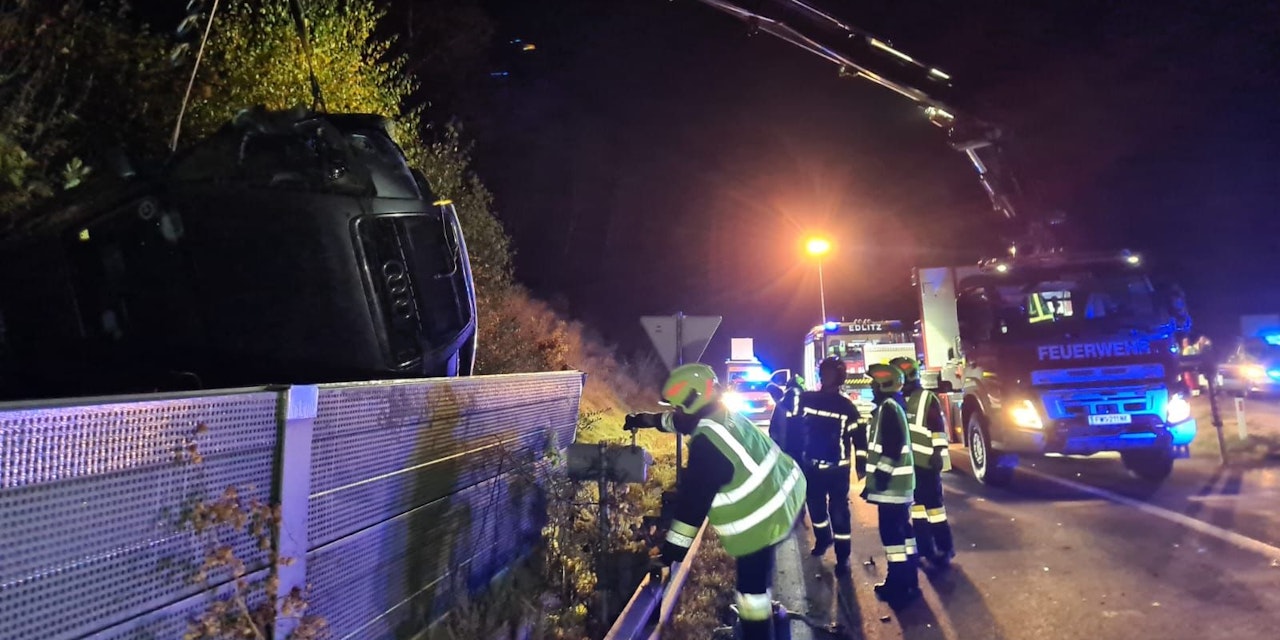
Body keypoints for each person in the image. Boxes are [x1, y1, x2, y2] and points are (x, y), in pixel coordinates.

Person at [625, 363, 806, 640]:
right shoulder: (721, 414)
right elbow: (679, 421)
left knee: (751, 595)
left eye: (677, 405)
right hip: (788, 493)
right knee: (759, 581)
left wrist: (669, 555)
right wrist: (644, 420)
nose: (675, 411)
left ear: (691, 400)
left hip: (764, 517)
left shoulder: (707, 445)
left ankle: (759, 633)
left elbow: (691, 510)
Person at [792, 356, 863, 571]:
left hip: (837, 469)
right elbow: (794, 424)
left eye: (830, 372)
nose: (826, 376)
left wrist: (861, 465)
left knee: (839, 512)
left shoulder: (847, 407)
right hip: (811, 466)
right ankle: (823, 539)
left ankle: (843, 557)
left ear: (839, 376)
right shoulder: (807, 399)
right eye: (824, 372)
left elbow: (860, 438)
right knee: (816, 508)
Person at [860, 363, 921, 610]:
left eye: (874, 384)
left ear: (883, 384)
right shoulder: (894, 406)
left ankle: (897, 586)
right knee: (904, 534)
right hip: (901, 487)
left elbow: (892, 449)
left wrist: (881, 478)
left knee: (892, 537)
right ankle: (909, 580)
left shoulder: (887, 408)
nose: (871, 388)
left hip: (892, 489)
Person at [891, 356, 956, 568]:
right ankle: (925, 549)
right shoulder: (899, 400)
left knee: (935, 511)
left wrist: (938, 453)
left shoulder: (926, 398)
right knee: (918, 511)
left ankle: (944, 548)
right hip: (909, 467)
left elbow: (938, 429)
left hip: (926, 465)